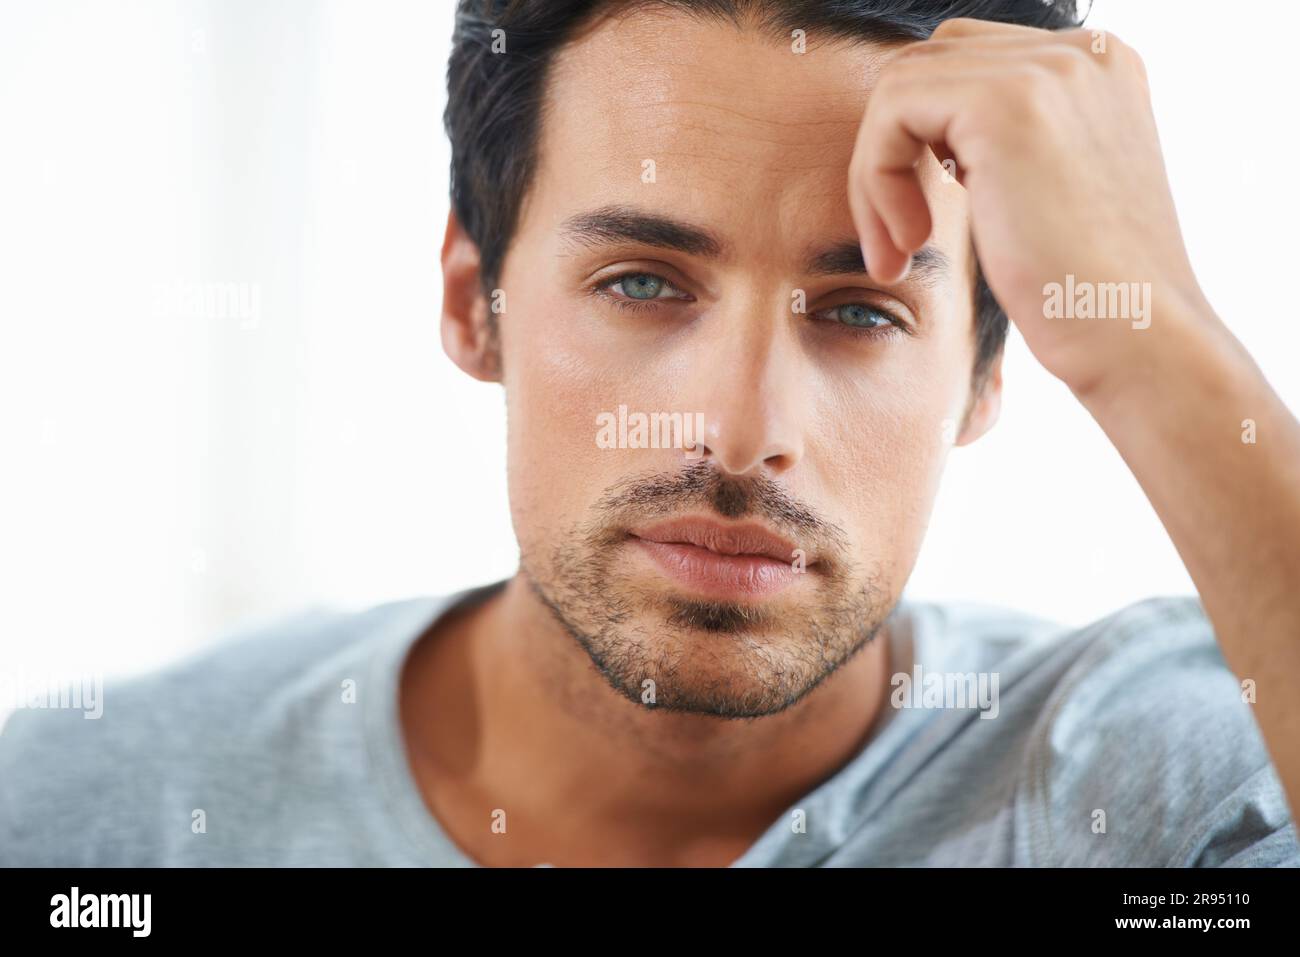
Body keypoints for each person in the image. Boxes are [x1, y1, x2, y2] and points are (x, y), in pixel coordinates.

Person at [3, 0, 1298, 867]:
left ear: (980, 379)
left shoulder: (1153, 798)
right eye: (642, 283)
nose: (741, 435)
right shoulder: (88, 816)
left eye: (859, 309)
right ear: (474, 304)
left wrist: (1160, 336)